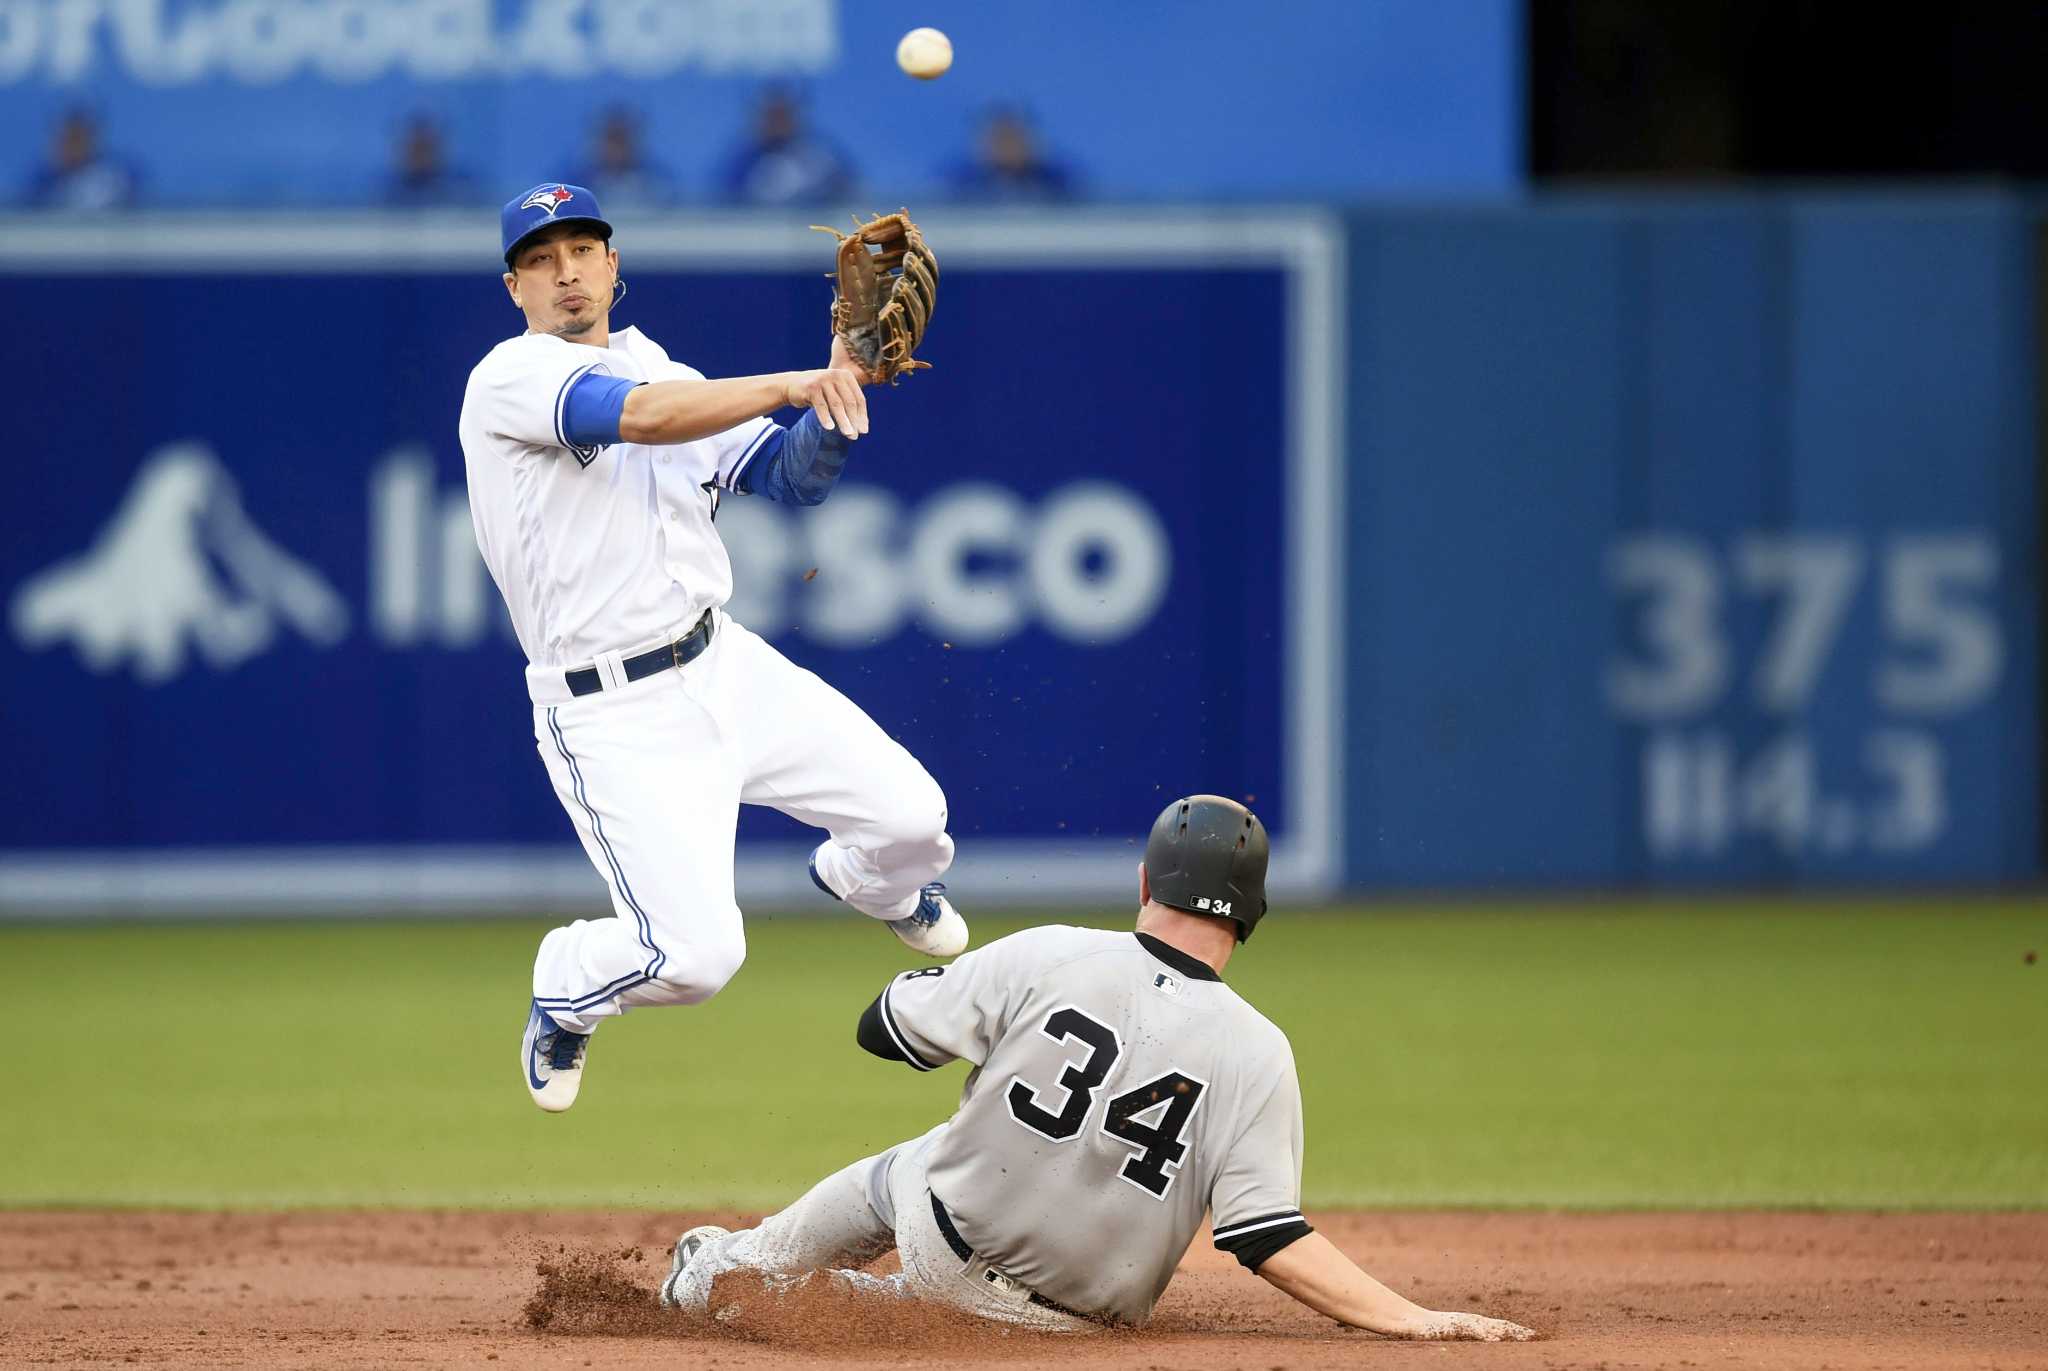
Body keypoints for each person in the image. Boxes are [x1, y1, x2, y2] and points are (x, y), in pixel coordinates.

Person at [659, 796, 1535, 1342]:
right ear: (1254, 913)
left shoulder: (1053, 953)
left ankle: (731, 1271)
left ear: (1146, 879)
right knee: (951, 1304)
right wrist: (1417, 1317)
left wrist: (934, 976)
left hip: (943, 1239)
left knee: (910, 1166)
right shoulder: (1260, 1050)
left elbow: (881, 1031)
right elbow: (1267, 1238)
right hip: (1074, 1325)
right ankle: (832, 1303)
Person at [459, 183, 966, 1113]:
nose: (565, 272)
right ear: (514, 288)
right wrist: (790, 382)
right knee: (695, 959)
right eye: (540, 259)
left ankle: (869, 884)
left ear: (614, 266)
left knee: (914, 822)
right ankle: (568, 979)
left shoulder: (662, 365)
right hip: (611, 710)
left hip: (721, 661)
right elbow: (641, 417)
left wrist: (841, 386)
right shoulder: (509, 380)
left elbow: (786, 475)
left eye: (582, 250)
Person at [719, 86, 856, 205]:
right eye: (771, 117)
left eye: (782, 117)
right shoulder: (744, 161)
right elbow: (728, 199)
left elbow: (847, 192)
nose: (777, 124)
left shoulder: (819, 158)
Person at [944, 106, 1073, 204]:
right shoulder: (964, 185)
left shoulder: (1054, 184)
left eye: (1014, 139)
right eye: (1000, 140)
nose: (1008, 148)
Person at [28, 109, 140, 211]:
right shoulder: (43, 182)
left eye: (78, 139)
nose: (72, 148)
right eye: (67, 140)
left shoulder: (117, 179)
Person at [571, 107, 677, 208]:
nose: (616, 149)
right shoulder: (580, 185)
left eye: (622, 141)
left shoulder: (654, 181)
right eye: (611, 141)